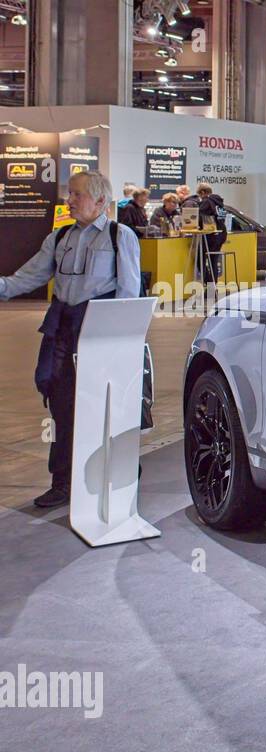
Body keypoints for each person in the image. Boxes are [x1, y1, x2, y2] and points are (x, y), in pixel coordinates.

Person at [0, 170, 141, 508]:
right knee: (62, 407)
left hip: (100, 333)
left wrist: (121, 345)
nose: (70, 200)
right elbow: (27, 277)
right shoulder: (59, 238)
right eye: (70, 193)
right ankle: (62, 482)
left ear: (100, 201)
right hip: (63, 332)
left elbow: (129, 292)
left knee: (105, 407)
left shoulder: (120, 235)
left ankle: (110, 479)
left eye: (77, 194)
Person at [195, 181, 228, 284]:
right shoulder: (219, 203)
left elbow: (199, 217)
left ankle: (209, 282)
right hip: (221, 234)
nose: (200, 197)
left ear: (203, 192)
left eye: (200, 194)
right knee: (213, 261)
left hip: (210, 235)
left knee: (199, 259)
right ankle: (212, 288)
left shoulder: (207, 201)